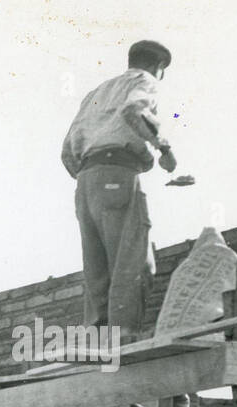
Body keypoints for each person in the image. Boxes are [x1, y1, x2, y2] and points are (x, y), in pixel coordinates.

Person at [61, 40, 176, 341]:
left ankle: (98, 343)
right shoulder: (143, 80)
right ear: (157, 67)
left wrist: (93, 175)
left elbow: (66, 152)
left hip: (86, 180)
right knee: (132, 263)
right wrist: (163, 148)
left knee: (97, 272)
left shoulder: (95, 94)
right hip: (118, 173)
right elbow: (134, 109)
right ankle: (124, 339)